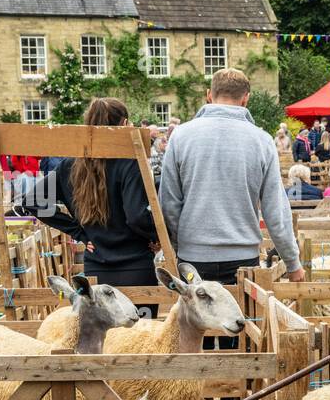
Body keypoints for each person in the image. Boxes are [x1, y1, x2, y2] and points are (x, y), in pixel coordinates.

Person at [159, 67, 303, 288]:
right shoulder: (262, 140)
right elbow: (275, 209)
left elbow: (169, 202)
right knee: (244, 321)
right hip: (243, 258)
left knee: (195, 321)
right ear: (246, 99)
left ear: (209, 95)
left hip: (194, 259)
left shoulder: (181, 136)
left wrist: (181, 244)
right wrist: (292, 262)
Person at [21, 98, 162, 312]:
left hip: (96, 265)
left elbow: (33, 202)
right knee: (138, 339)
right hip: (135, 264)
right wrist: (155, 236)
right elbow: (136, 217)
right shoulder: (129, 163)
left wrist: (80, 232)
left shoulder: (69, 165)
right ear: (124, 124)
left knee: (101, 340)